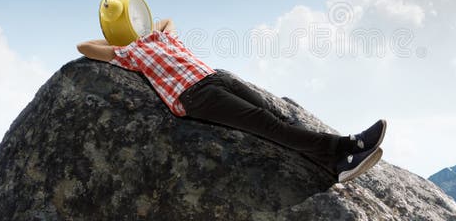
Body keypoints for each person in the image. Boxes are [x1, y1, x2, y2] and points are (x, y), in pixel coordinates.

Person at [77, 18, 386, 183]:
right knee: (264, 123)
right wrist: (121, 37)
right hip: (195, 95)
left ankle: (336, 166)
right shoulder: (130, 53)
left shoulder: (161, 37)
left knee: (275, 118)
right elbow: (84, 47)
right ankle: (347, 145)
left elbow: (166, 20)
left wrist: (143, 27)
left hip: (217, 77)